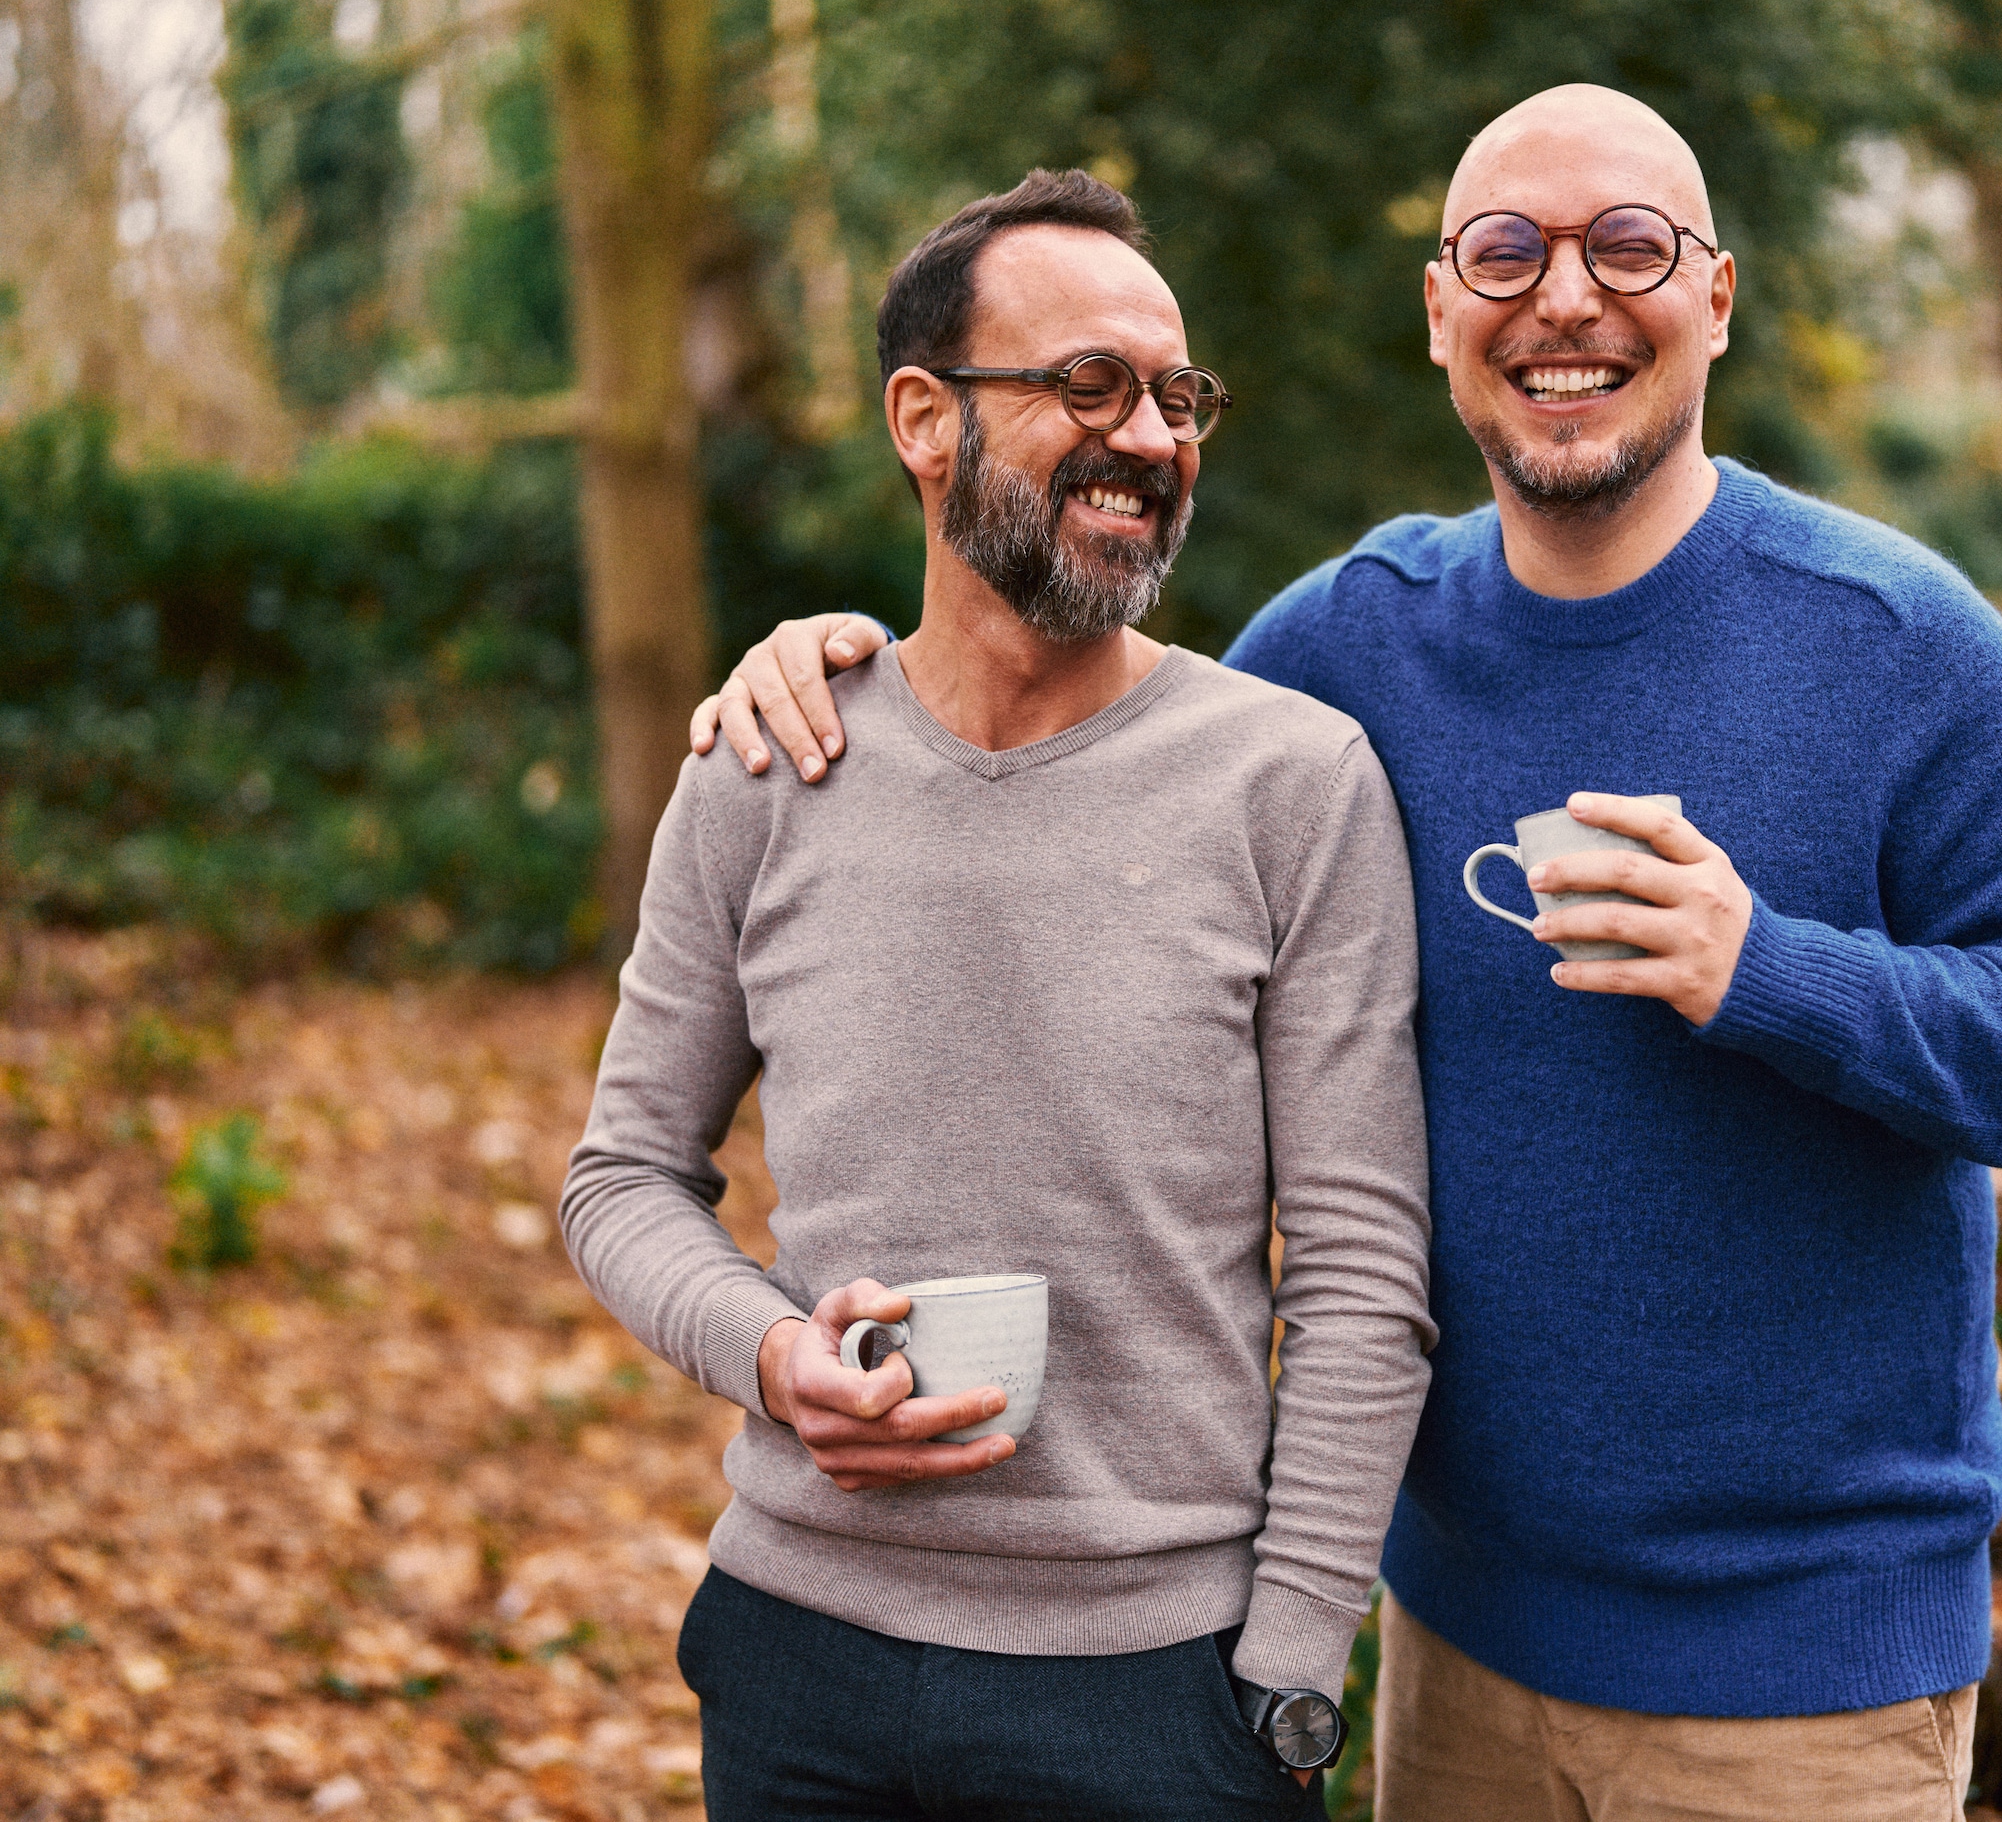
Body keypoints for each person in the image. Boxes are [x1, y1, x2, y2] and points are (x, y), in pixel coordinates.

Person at [691, 88, 2002, 1821]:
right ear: (1440, 317)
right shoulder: (1351, 648)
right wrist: (835, 667)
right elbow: (1073, 698)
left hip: (1800, 1683)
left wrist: (1771, 970)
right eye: (1506, 253)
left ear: (1716, 298)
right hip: (1457, 1652)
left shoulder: (1894, 641)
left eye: (1627, 246)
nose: (1564, 298)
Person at [566, 167, 1434, 1822]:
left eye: (1178, 398)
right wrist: (766, 1354)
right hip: (798, 1657)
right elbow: (620, 1181)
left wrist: (1293, 1667)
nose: (1155, 439)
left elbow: (1362, 1267)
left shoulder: (1291, 782)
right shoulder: (767, 762)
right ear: (923, 418)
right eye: (1088, 386)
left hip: (1165, 1692)